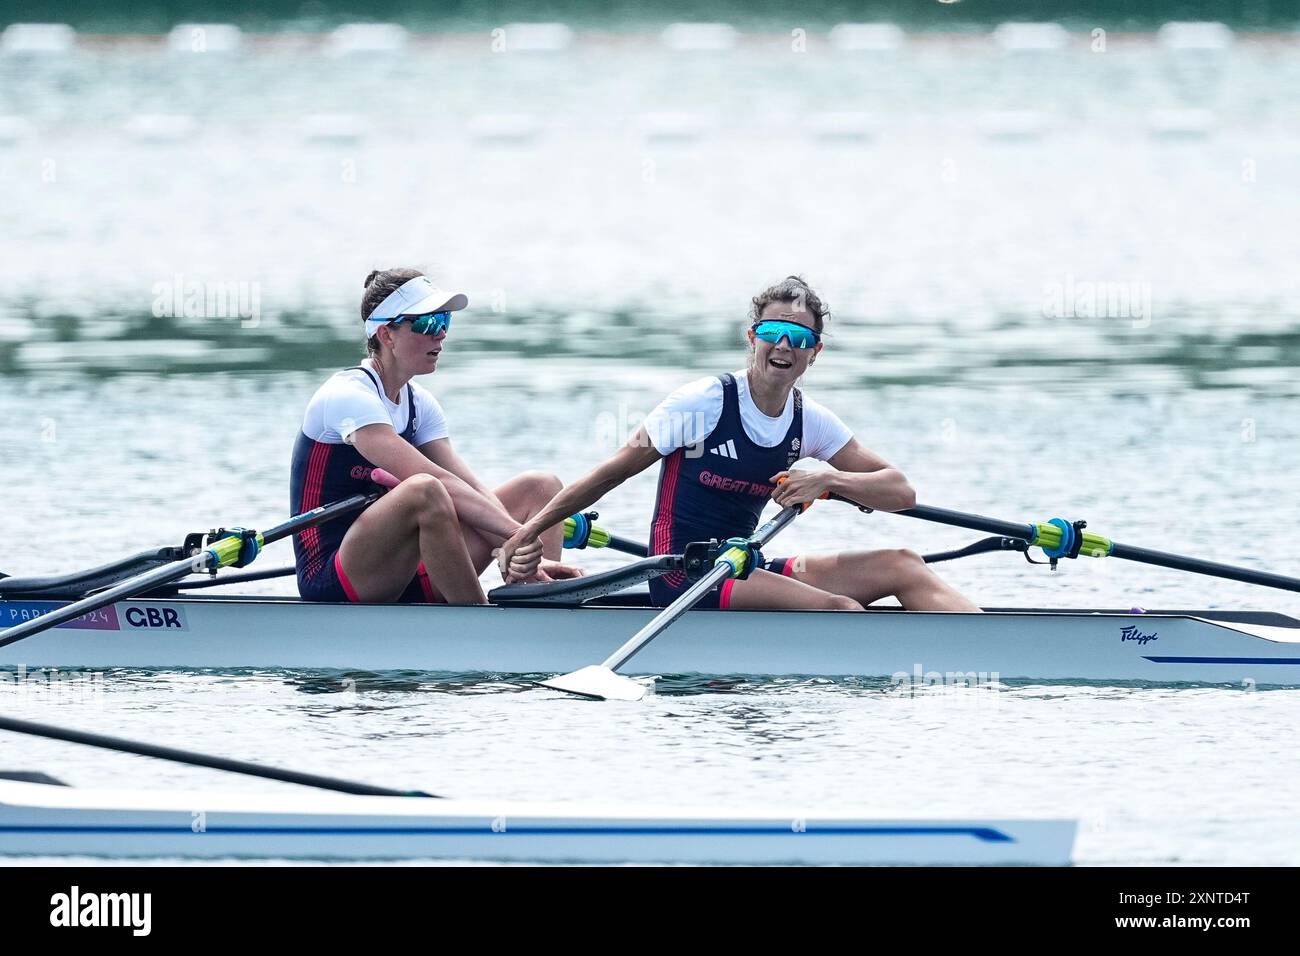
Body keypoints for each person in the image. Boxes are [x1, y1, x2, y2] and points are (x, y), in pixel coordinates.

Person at [497, 276, 979, 612]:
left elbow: (900, 491)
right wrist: (529, 531)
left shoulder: (810, 421)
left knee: (901, 564)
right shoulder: (699, 404)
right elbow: (609, 474)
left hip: (745, 564)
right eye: (773, 333)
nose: (784, 346)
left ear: (816, 351)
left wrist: (829, 479)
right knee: (840, 609)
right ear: (753, 337)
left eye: (799, 337)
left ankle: (990, 652)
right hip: (681, 574)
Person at [290, 267, 581, 605]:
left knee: (540, 487)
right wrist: (517, 534)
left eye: (444, 322)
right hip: (335, 575)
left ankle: (539, 591)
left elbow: (469, 486)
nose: (440, 335)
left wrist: (522, 546)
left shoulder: (420, 404)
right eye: (428, 324)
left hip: (409, 567)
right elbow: (437, 480)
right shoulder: (346, 396)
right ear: (387, 335)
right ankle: (478, 620)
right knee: (425, 489)